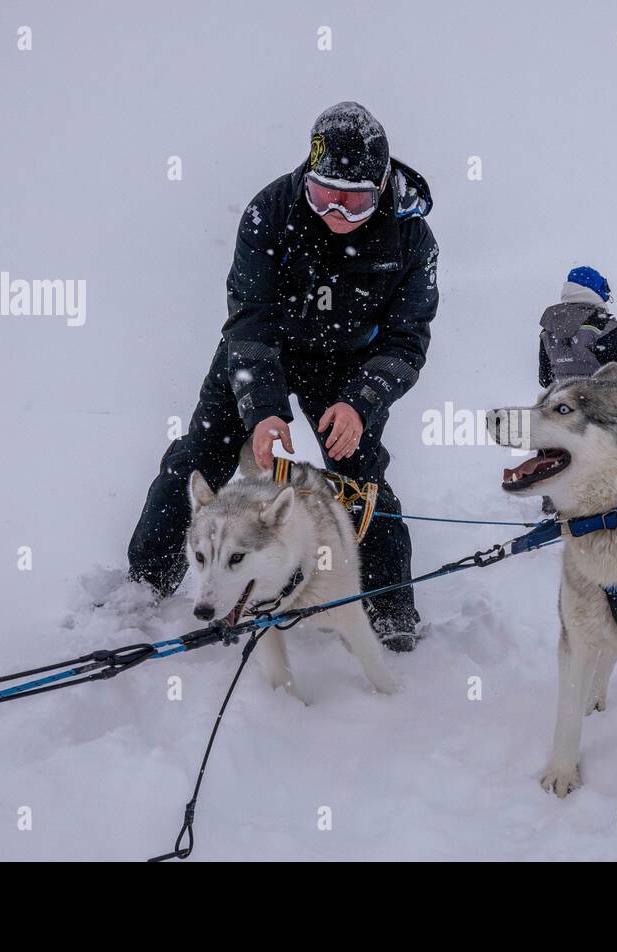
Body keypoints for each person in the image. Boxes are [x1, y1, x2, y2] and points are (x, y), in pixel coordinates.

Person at [127, 101, 439, 652]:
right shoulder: (269, 212)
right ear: (308, 177)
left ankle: (391, 606)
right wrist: (262, 411)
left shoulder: (413, 237)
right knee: (197, 455)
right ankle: (144, 582)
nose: (338, 211)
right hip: (264, 352)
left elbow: (407, 339)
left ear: (383, 184)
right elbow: (248, 322)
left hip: (348, 367)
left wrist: (361, 402)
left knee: (362, 479)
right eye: (325, 194)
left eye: (357, 198)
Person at [537, 266, 617, 387]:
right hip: (598, 400)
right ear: (595, 291)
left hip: (561, 401)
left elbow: (545, 378)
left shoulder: (550, 326)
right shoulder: (602, 323)